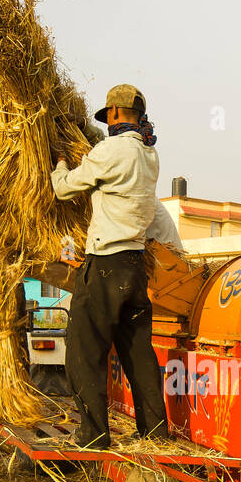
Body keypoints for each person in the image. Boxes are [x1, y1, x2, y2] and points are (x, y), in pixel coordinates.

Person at [50, 83, 168, 449]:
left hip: (104, 265)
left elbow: (65, 189)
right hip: (134, 267)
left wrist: (59, 164)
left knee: (83, 349)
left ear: (114, 114)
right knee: (138, 353)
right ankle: (154, 431)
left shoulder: (110, 150)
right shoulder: (150, 155)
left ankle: (93, 433)